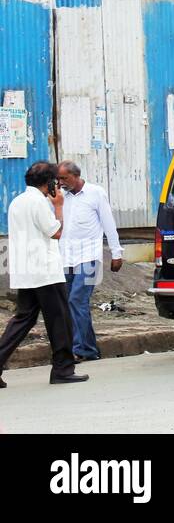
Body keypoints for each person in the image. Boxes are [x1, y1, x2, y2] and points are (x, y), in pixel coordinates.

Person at [0, 162, 87, 388]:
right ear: (49, 183)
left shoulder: (17, 201)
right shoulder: (39, 202)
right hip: (45, 272)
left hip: (25, 271)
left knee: (23, 320)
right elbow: (56, 232)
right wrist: (59, 206)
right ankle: (63, 369)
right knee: (60, 321)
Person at [55, 160, 123, 363]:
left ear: (76, 176)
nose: (61, 182)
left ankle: (81, 349)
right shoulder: (60, 197)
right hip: (65, 257)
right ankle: (89, 348)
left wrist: (116, 252)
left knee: (77, 300)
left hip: (89, 258)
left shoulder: (95, 193)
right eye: (58, 179)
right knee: (69, 303)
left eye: (64, 178)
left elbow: (108, 224)